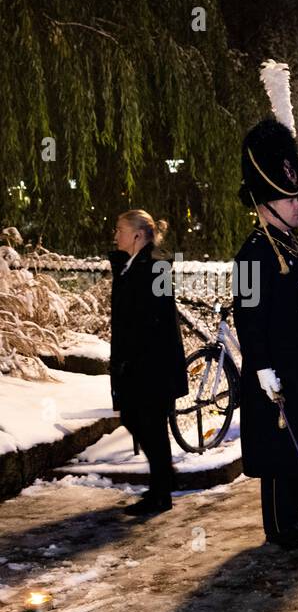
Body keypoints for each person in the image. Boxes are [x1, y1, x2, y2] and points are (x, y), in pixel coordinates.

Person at [231, 117, 298, 551]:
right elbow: (248, 318)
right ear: (266, 204)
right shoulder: (252, 255)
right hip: (273, 368)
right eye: (288, 200)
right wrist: (261, 368)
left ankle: (293, 515)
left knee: (297, 441)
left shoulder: (286, 247)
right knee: (280, 446)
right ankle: (279, 526)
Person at [108, 210, 187, 517]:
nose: (116, 236)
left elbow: (157, 321)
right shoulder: (130, 266)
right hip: (137, 364)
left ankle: (161, 493)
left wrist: (139, 362)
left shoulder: (155, 268)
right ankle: (164, 478)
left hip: (151, 366)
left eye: (120, 230)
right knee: (134, 418)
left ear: (138, 235)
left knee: (149, 424)